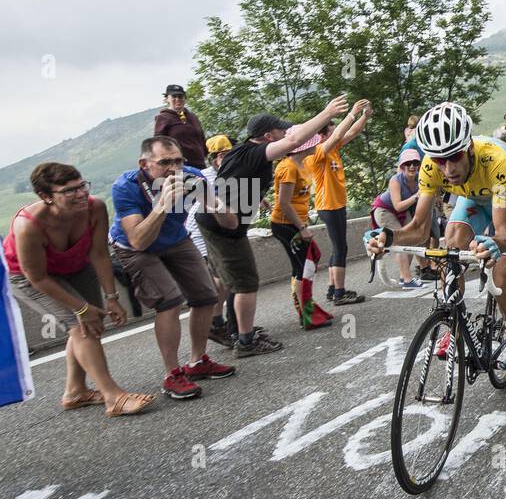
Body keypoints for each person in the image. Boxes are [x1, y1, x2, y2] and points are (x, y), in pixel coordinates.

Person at [372, 102, 506, 377]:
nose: (447, 168)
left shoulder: (497, 161)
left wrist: (492, 244)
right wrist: (387, 235)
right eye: (438, 159)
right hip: (472, 198)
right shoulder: (431, 168)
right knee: (450, 248)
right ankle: (454, 324)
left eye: (454, 156)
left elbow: (502, 233)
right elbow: (419, 228)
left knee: (501, 277)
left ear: (468, 147)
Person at [5, 163, 154, 417]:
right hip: (31, 277)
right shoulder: (28, 226)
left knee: (92, 324)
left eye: (82, 186)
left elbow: (98, 254)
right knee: (82, 325)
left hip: (76, 265)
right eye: (69, 191)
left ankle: (75, 391)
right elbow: (38, 277)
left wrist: (112, 298)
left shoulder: (94, 207)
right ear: (46, 196)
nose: (81, 194)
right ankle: (113, 397)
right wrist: (82, 308)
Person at [208, 97, 349, 356]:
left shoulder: (240, 152)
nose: (284, 133)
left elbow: (231, 179)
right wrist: (326, 113)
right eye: (279, 131)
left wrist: (253, 196)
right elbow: (294, 140)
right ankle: (245, 340)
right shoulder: (256, 152)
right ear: (267, 135)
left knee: (231, 280)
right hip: (225, 223)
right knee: (245, 281)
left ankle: (230, 329)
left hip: (218, 219)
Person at [111, 137, 235, 400]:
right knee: (169, 301)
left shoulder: (192, 177)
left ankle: (197, 361)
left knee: (207, 294)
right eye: (165, 162)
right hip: (136, 246)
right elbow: (138, 239)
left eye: (178, 161)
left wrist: (218, 207)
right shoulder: (126, 186)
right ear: (144, 164)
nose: (173, 168)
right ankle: (172, 374)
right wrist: (163, 204)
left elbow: (228, 222)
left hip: (175, 239)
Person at [306, 99, 371, 306]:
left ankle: (333, 289)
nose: (336, 131)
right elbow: (338, 134)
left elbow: (350, 133)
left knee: (337, 247)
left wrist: (364, 117)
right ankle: (340, 293)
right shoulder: (316, 153)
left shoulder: (332, 148)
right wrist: (352, 113)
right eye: (332, 128)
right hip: (328, 206)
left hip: (336, 204)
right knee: (340, 248)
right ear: (323, 134)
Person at [270, 131, 333, 330]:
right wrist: (302, 227)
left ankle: (306, 308)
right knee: (304, 267)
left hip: (296, 222)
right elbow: (284, 203)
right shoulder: (288, 168)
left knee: (306, 263)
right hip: (286, 224)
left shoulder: (302, 164)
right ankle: (305, 312)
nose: (316, 144)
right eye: (312, 141)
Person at [189, 134, 233, 348]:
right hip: (198, 231)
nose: (225, 159)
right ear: (213, 158)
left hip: (215, 229)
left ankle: (222, 322)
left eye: (229, 154)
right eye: (221, 155)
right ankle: (216, 323)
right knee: (219, 279)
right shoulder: (204, 176)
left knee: (224, 278)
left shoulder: (230, 174)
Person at [371, 149, 426, 289]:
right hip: (385, 210)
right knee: (399, 241)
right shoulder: (395, 180)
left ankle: (404, 276)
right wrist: (416, 196)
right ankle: (407, 280)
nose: (412, 166)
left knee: (412, 238)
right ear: (402, 166)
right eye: (408, 163)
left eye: (415, 163)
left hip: (403, 211)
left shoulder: (421, 178)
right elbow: (397, 206)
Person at [153, 84, 208, 170]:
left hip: (200, 164)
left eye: (180, 96)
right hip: (179, 166)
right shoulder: (163, 117)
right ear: (167, 99)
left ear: (185, 98)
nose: (177, 99)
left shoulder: (192, 117)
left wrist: (207, 155)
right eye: (174, 96)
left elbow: (201, 139)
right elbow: (159, 143)